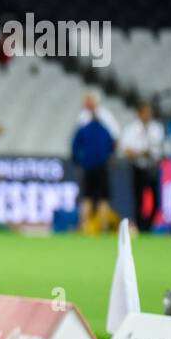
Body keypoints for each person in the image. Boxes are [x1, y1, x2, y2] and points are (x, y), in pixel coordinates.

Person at [73, 92, 119, 234]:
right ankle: (86, 226)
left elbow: (75, 144)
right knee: (93, 197)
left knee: (96, 197)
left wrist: (79, 160)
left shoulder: (101, 118)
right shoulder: (86, 119)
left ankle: (98, 226)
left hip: (95, 164)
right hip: (94, 165)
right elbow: (113, 140)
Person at [118, 101, 165, 232]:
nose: (148, 115)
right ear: (139, 113)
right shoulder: (131, 129)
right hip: (138, 167)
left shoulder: (157, 128)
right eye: (145, 112)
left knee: (157, 200)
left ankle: (149, 225)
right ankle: (140, 226)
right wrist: (140, 153)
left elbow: (160, 147)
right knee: (138, 200)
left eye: (149, 112)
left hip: (153, 167)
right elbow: (125, 149)